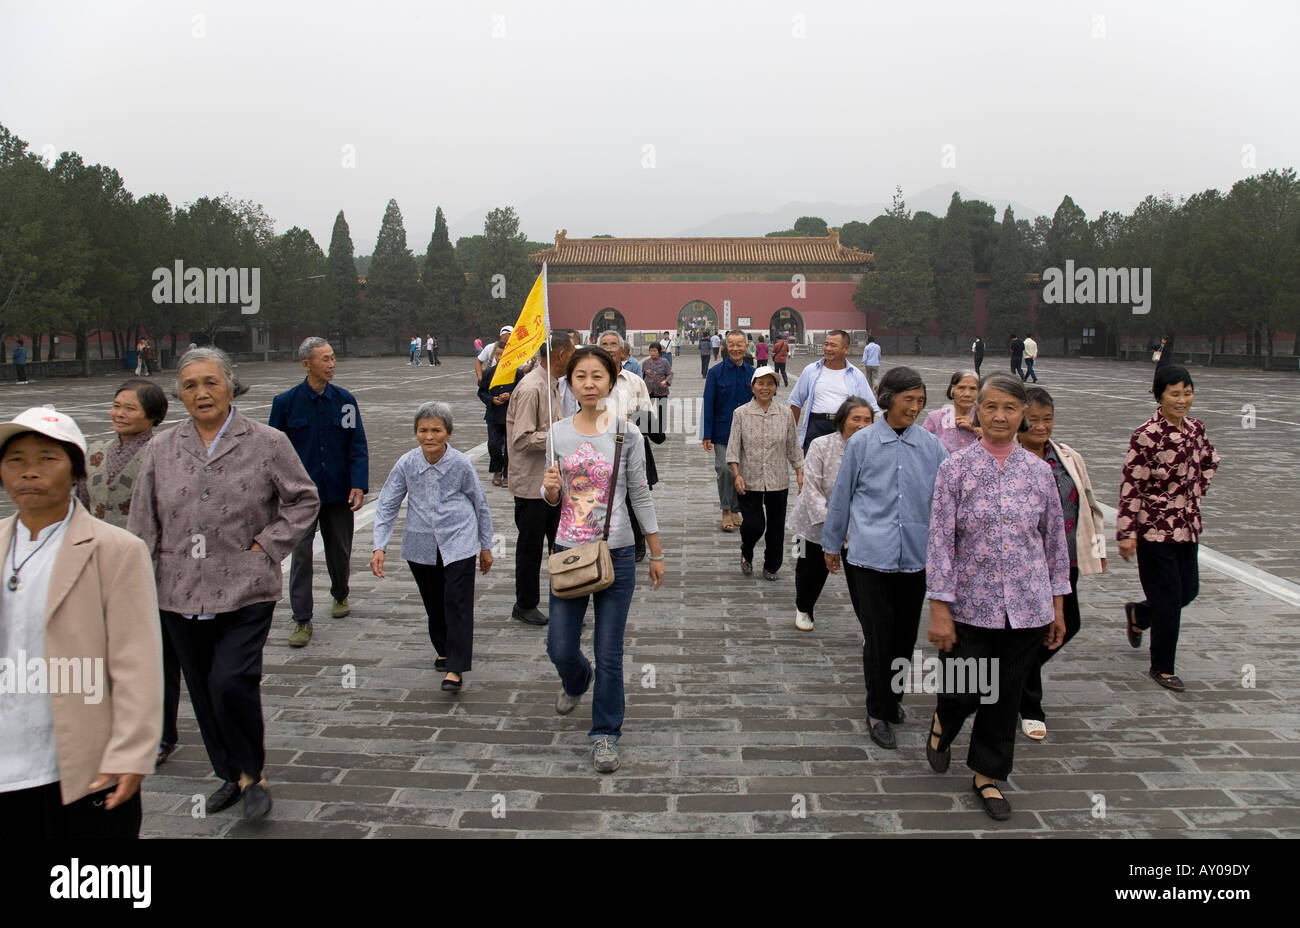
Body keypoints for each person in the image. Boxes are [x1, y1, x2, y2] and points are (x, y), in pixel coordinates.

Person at [128, 347, 319, 823]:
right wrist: (134, 583)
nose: (201, 393)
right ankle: (229, 773)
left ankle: (252, 774)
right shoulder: (161, 448)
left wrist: (269, 544)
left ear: (231, 384)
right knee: (202, 687)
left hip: (245, 588)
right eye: (190, 385)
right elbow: (142, 523)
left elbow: (303, 499)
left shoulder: (267, 442)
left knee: (231, 679)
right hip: (177, 589)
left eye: (211, 382)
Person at [0, 408, 162, 838]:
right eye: (16, 460)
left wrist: (131, 750)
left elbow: (137, 659)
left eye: (46, 459)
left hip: (80, 762)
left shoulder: (115, 550)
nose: (29, 472)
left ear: (75, 471)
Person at [923, 372, 1069, 821]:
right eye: (991, 407)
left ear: (1023, 413)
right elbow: (940, 542)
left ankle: (987, 775)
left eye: (1010, 408)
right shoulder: (955, 469)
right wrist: (939, 609)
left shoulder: (1039, 473)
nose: (1001, 416)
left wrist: (1058, 607)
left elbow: (1054, 546)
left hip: (1027, 606)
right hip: (969, 604)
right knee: (965, 688)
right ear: (977, 412)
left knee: (1004, 696)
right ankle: (945, 720)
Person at [542, 345, 665, 774]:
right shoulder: (556, 433)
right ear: (570, 383)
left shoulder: (626, 434)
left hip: (616, 551)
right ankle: (577, 679)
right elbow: (551, 496)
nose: (590, 383)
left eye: (598, 376)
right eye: (581, 376)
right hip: (568, 550)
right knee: (559, 646)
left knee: (609, 651)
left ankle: (605, 734)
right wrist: (551, 489)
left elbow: (639, 492)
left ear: (611, 381)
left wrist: (655, 551)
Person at [821, 367, 948, 750]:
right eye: (908, 399)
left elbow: (945, 504)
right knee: (878, 637)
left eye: (920, 400)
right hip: (867, 558)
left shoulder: (932, 447)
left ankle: (893, 699)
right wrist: (831, 545)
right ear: (888, 398)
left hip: (915, 558)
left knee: (905, 638)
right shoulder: (861, 444)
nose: (915, 406)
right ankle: (878, 709)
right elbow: (841, 497)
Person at [75, 379, 178, 765]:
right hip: (100, 566)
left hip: (150, 569)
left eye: (130, 408)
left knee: (157, 655)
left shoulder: (165, 452)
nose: (119, 413)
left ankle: (162, 734)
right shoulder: (95, 453)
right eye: (116, 406)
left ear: (153, 415)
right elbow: (81, 507)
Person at [371, 402, 492, 692]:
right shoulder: (407, 463)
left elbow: (480, 503)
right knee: (434, 603)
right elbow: (387, 503)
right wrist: (379, 546)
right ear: (416, 433)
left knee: (457, 603)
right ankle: (443, 648)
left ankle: (456, 668)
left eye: (436, 430)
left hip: (459, 540)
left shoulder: (462, 463)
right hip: (421, 542)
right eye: (423, 430)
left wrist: (486, 546)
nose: (429, 436)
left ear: (448, 433)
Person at [1117, 365, 1219, 693]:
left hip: (1187, 526)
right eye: (1174, 393)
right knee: (1169, 597)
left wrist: (1196, 489)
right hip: (1154, 529)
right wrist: (1126, 532)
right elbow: (1132, 484)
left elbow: (1211, 460)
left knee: (1188, 591)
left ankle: (1140, 614)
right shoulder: (1146, 434)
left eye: (1187, 393)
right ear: (1159, 395)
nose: (1182, 399)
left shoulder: (1195, 429)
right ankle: (1163, 666)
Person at [1016, 386, 1107, 739]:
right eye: (1033, 419)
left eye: (1047, 419)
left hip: (1065, 559)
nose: (1041, 427)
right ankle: (1029, 706)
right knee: (1037, 630)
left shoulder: (1067, 456)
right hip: (1027, 563)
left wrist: (1095, 548)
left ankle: (1010, 678)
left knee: (1069, 624)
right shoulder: (1012, 458)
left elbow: (1089, 503)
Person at [269, 337, 369, 648]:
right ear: (306, 364)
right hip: (299, 497)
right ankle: (301, 618)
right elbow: (273, 452)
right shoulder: (285, 404)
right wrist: (276, 492)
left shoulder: (345, 401)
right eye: (324, 359)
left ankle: (340, 593)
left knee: (339, 549)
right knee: (300, 556)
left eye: (332, 357)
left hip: (338, 491)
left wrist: (358, 483)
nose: (331, 364)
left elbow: (357, 444)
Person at [506, 331, 575, 626]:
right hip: (532, 484)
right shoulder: (532, 387)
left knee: (561, 545)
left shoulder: (553, 385)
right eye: (572, 353)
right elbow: (521, 439)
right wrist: (560, 436)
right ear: (560, 355)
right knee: (531, 547)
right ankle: (525, 603)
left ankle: (566, 603)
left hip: (552, 483)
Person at [788, 397, 873, 631]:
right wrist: (833, 525)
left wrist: (852, 527)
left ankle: (869, 627)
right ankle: (803, 608)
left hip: (857, 529)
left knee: (861, 582)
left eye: (867, 420)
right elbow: (811, 488)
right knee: (808, 570)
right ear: (843, 420)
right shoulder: (820, 445)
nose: (861, 424)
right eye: (856, 419)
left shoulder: (875, 449)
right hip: (813, 525)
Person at [727, 366, 803, 580]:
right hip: (749, 478)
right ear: (752, 387)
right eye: (761, 383)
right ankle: (747, 550)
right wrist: (736, 474)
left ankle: (772, 565)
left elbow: (792, 446)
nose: (765, 388)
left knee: (776, 526)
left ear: (775, 388)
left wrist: (799, 472)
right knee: (754, 524)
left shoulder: (785, 414)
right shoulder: (740, 413)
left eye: (770, 384)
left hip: (778, 478)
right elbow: (733, 447)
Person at [789, 330, 879, 454]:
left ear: (845, 349)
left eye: (833, 345)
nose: (828, 348)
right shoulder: (811, 371)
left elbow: (871, 407)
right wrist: (791, 435)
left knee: (844, 468)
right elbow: (795, 402)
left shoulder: (856, 375)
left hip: (845, 427)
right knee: (812, 468)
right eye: (826, 344)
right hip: (817, 426)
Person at [701, 330, 755, 533]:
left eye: (739, 344)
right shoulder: (716, 372)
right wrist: (706, 434)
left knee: (740, 472)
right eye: (731, 344)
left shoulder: (752, 372)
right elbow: (709, 403)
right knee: (724, 469)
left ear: (746, 346)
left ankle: (735, 508)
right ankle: (726, 510)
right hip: (723, 430)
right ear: (725, 346)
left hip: (748, 432)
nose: (735, 348)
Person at [921, 370, 982, 453]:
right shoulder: (935, 418)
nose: (967, 394)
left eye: (973, 389)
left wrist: (975, 429)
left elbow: (1000, 446)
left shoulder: (986, 418)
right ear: (952, 391)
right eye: (961, 388)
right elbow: (920, 447)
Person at [478, 344, 514, 486]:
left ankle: (507, 473)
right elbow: (481, 392)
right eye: (498, 354)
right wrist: (491, 399)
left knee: (511, 446)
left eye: (503, 354)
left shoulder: (516, 373)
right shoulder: (488, 373)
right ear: (494, 356)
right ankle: (496, 470)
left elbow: (522, 392)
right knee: (494, 445)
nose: (500, 357)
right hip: (493, 415)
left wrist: (510, 395)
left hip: (510, 416)